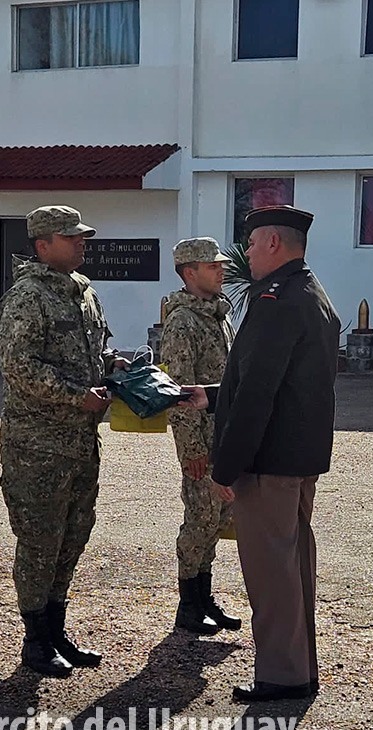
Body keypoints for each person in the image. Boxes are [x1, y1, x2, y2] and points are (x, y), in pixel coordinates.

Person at [181, 205, 341, 703]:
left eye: (251, 243)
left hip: (268, 462)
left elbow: (258, 392)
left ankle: (282, 677)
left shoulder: (275, 301)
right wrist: (211, 391)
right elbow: (274, 381)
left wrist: (227, 465)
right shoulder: (309, 292)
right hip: (297, 458)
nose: (244, 253)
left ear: (273, 243)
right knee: (294, 569)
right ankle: (298, 668)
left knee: (272, 574)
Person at [0, 205, 128, 678]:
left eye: (82, 237)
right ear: (43, 244)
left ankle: (56, 630)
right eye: (71, 238)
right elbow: (19, 365)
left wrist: (115, 365)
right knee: (39, 540)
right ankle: (35, 643)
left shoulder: (83, 293)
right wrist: (77, 396)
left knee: (72, 537)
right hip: (38, 445)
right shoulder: (28, 297)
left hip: (80, 441)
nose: (81, 244)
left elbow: (94, 349)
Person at [160, 236, 241, 636]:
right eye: (212, 266)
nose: (221, 270)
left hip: (224, 434)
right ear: (189, 272)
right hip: (201, 441)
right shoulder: (182, 322)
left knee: (216, 518)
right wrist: (191, 448)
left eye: (220, 265)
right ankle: (189, 605)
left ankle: (204, 598)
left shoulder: (217, 315)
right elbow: (177, 390)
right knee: (199, 519)